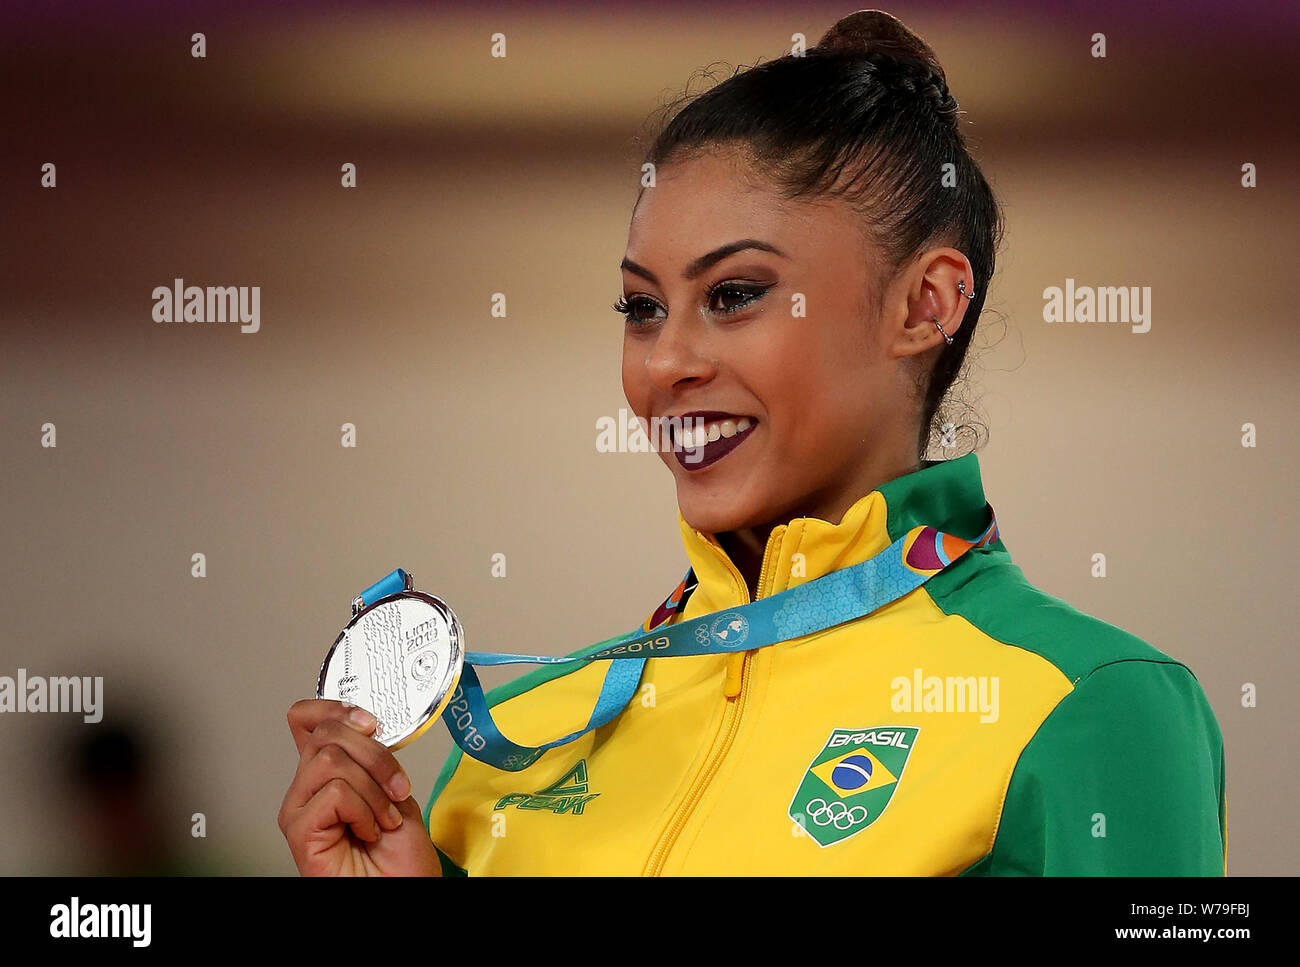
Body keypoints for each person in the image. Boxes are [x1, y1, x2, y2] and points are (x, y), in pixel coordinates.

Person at [279, 9, 1226, 876]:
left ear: (923, 305)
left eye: (734, 294)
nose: (665, 363)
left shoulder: (1090, 705)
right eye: (641, 308)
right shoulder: (517, 743)